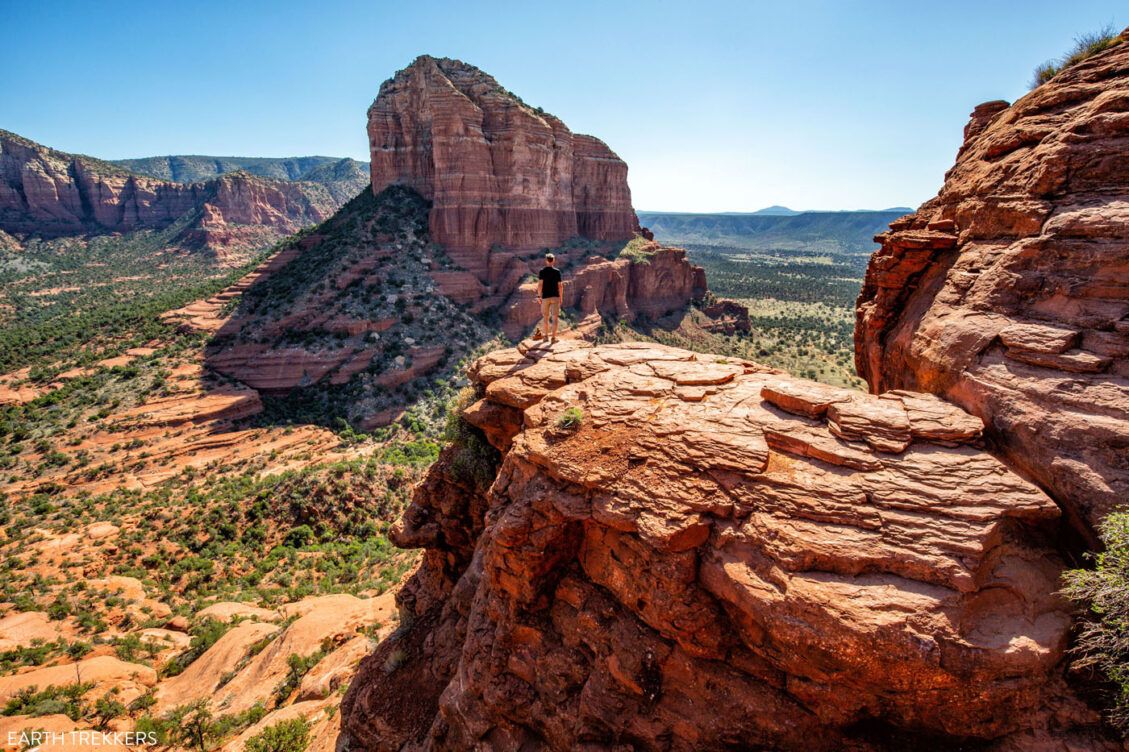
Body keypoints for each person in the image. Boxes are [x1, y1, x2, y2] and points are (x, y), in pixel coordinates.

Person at [537, 253, 564, 344]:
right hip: (555, 297)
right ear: (553, 260)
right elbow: (560, 286)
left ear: (546, 261)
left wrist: (539, 296)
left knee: (545, 318)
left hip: (545, 297)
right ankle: (553, 338)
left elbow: (540, 285)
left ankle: (545, 337)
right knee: (555, 318)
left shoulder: (542, 271)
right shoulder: (557, 271)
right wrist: (561, 297)